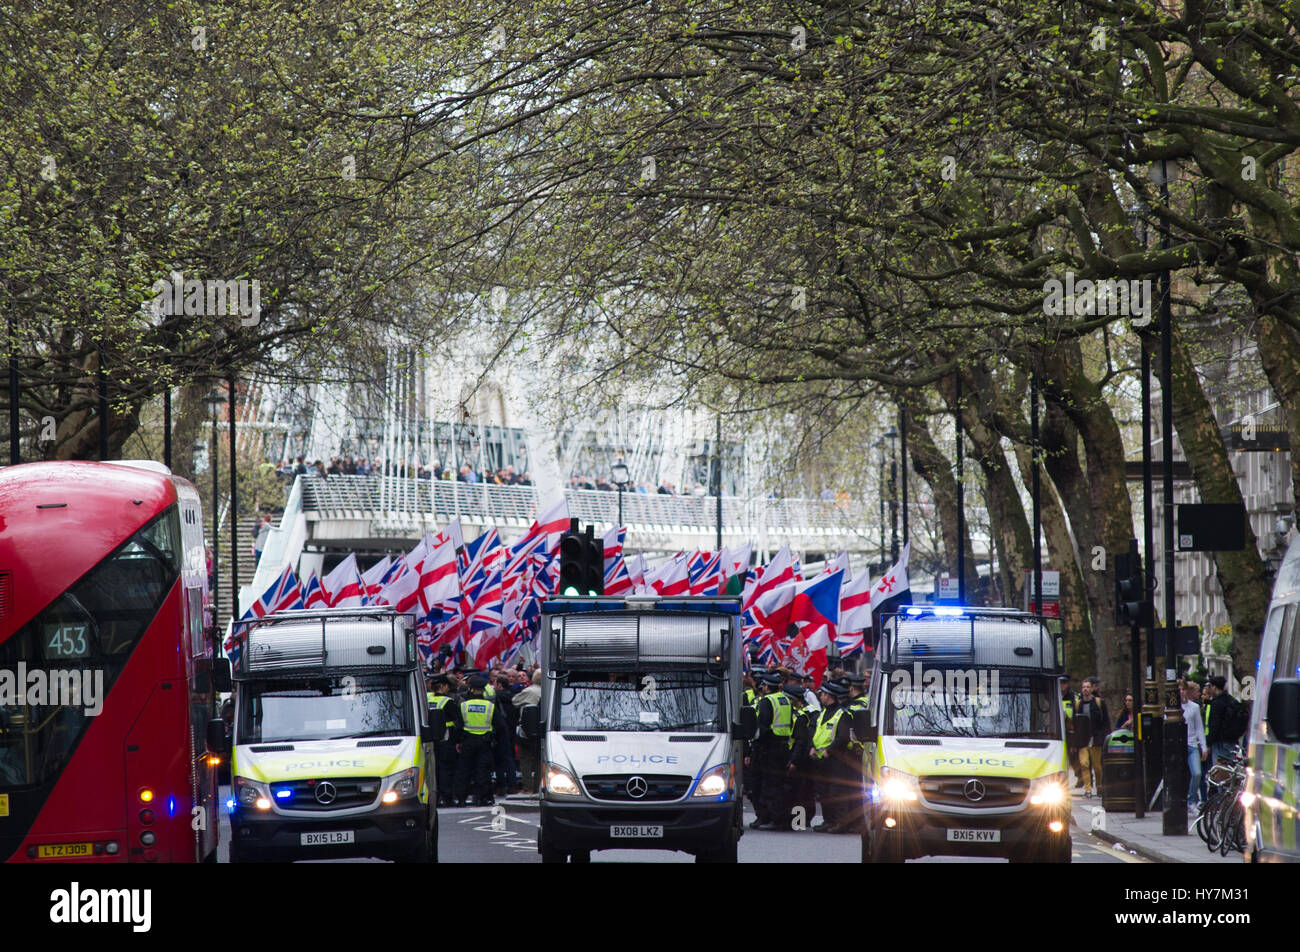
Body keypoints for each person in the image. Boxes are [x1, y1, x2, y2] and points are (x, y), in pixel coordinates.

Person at [453, 675, 506, 807]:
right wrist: (493, 735)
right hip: (484, 742)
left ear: (471, 689)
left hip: (467, 741)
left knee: (464, 770)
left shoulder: (464, 705)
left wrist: (458, 741)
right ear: (483, 690)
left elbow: (458, 726)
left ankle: (461, 799)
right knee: (482, 771)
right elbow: (499, 725)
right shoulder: (490, 706)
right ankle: (481, 798)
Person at [750, 673, 793, 830]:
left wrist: (755, 741)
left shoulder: (767, 701)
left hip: (768, 748)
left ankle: (766, 817)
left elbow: (763, 727)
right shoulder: (785, 700)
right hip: (783, 747)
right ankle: (779, 818)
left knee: (764, 783)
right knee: (778, 783)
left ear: (766, 687)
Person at [811, 679, 852, 831]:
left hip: (836, 760)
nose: (820, 696)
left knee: (837, 792)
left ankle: (840, 823)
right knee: (824, 792)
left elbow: (843, 737)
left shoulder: (842, 714)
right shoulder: (823, 713)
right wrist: (812, 748)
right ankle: (828, 821)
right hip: (821, 760)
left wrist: (829, 750)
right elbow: (818, 733)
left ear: (829, 696)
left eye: (822, 694)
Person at [426, 675, 459, 808]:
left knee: (433, 770)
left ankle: (435, 797)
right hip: (446, 739)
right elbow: (456, 719)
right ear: (443, 686)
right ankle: (447, 798)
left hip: (430, 739)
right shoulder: (448, 701)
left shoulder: (427, 699)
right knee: (445, 770)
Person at [1073, 679, 1109, 798]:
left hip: (1096, 738)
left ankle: (1099, 786)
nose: (1085, 689)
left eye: (1088, 687)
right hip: (1082, 739)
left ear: (1092, 689)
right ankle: (1088, 789)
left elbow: (1105, 722)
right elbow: (1074, 724)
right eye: (1084, 687)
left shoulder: (1099, 703)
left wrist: (1105, 738)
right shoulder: (1078, 704)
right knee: (1084, 764)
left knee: (1097, 766)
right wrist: (1074, 742)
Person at [513, 669, 543, 792]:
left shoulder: (529, 691)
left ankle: (527, 788)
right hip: (542, 730)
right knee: (538, 761)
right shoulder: (548, 691)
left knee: (525, 760)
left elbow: (515, 701)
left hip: (525, 731)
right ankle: (537, 787)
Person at [1182, 680, 1209, 808]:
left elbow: (1199, 728)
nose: (1181, 692)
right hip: (1179, 746)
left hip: (1192, 744)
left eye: (1182, 689)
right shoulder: (1170, 708)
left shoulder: (1194, 707)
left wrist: (1203, 747)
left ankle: (1191, 800)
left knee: (1197, 773)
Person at [1204, 676, 1242, 765]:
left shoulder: (1216, 703)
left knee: (1219, 771)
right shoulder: (1232, 700)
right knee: (1229, 769)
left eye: (1210, 686)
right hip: (1232, 741)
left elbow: (1214, 725)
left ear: (1214, 687)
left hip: (1219, 742)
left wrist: (1208, 743)